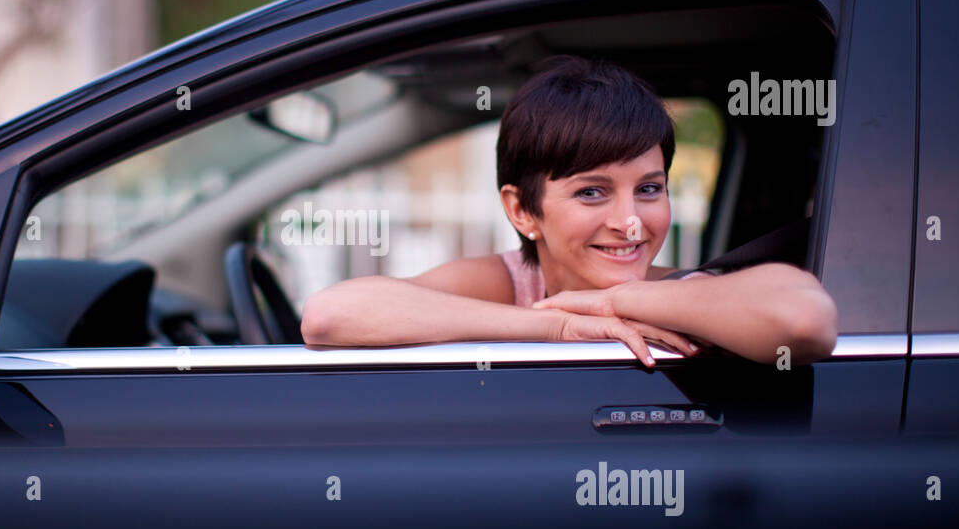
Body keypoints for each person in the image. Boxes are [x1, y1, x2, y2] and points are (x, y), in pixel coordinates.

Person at [300, 55, 837, 366]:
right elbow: (329, 318)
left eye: (649, 190)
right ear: (522, 210)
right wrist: (556, 329)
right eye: (592, 192)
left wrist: (624, 300)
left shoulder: (680, 290)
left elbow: (806, 319)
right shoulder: (507, 284)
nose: (630, 221)